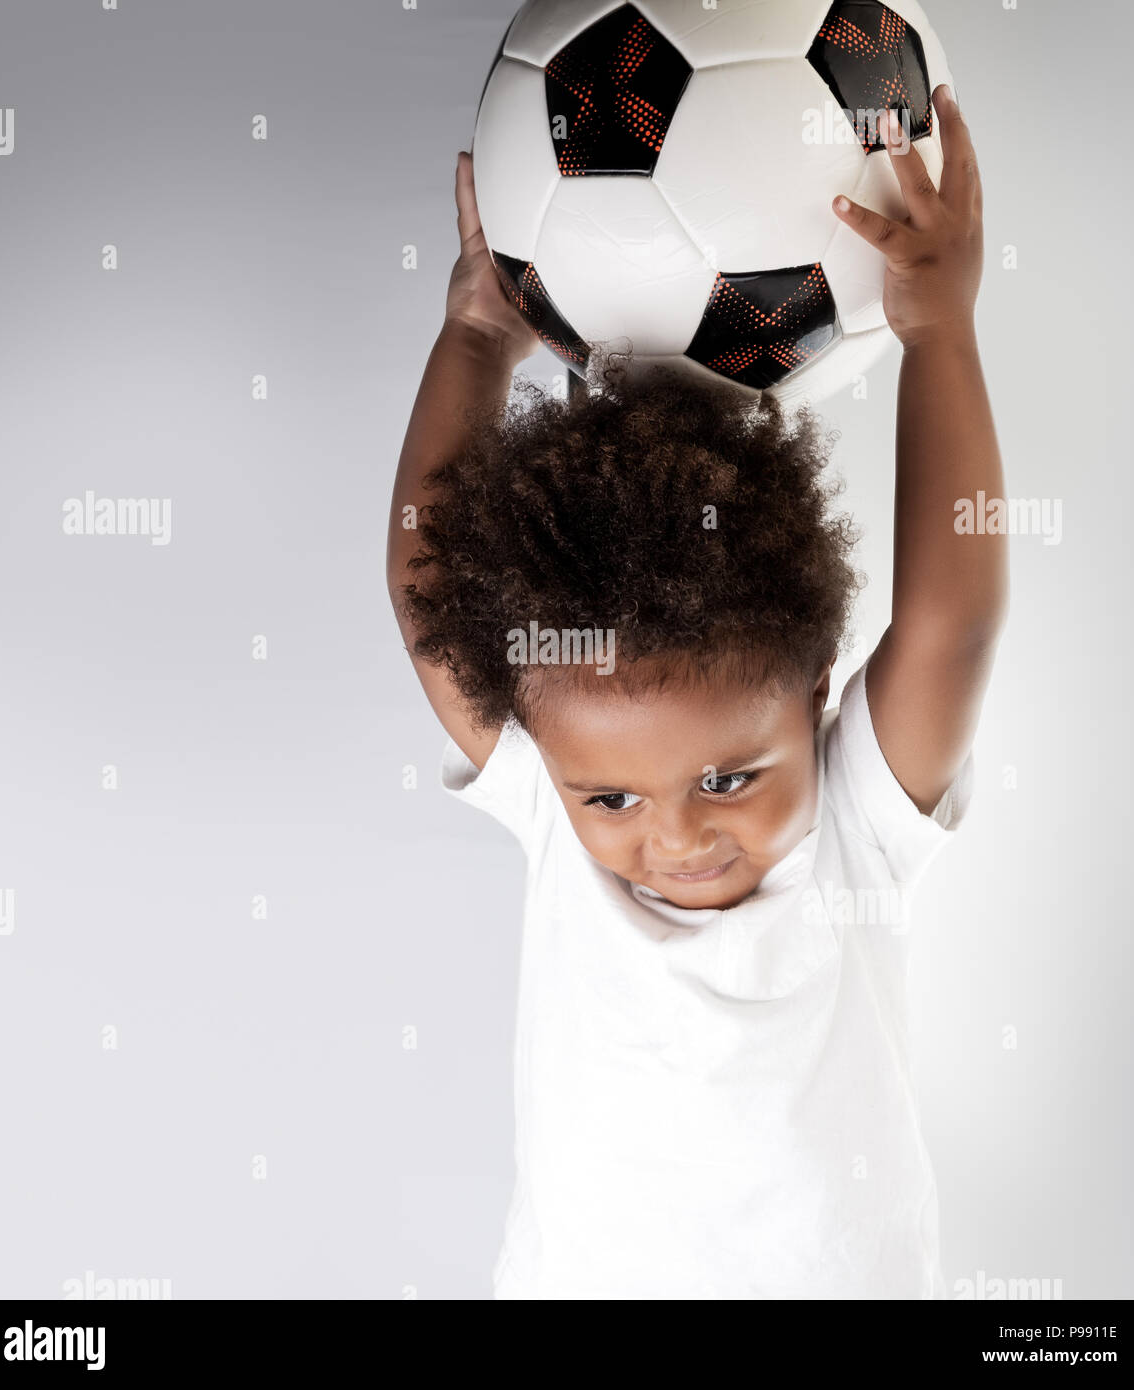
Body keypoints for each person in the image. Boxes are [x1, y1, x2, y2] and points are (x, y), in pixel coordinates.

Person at [387, 86, 1007, 1298]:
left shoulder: (853, 826)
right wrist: (471, 337)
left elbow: (950, 620)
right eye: (609, 797)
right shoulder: (561, 817)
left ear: (814, 685)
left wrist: (943, 332)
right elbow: (430, 603)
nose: (670, 836)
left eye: (727, 775)